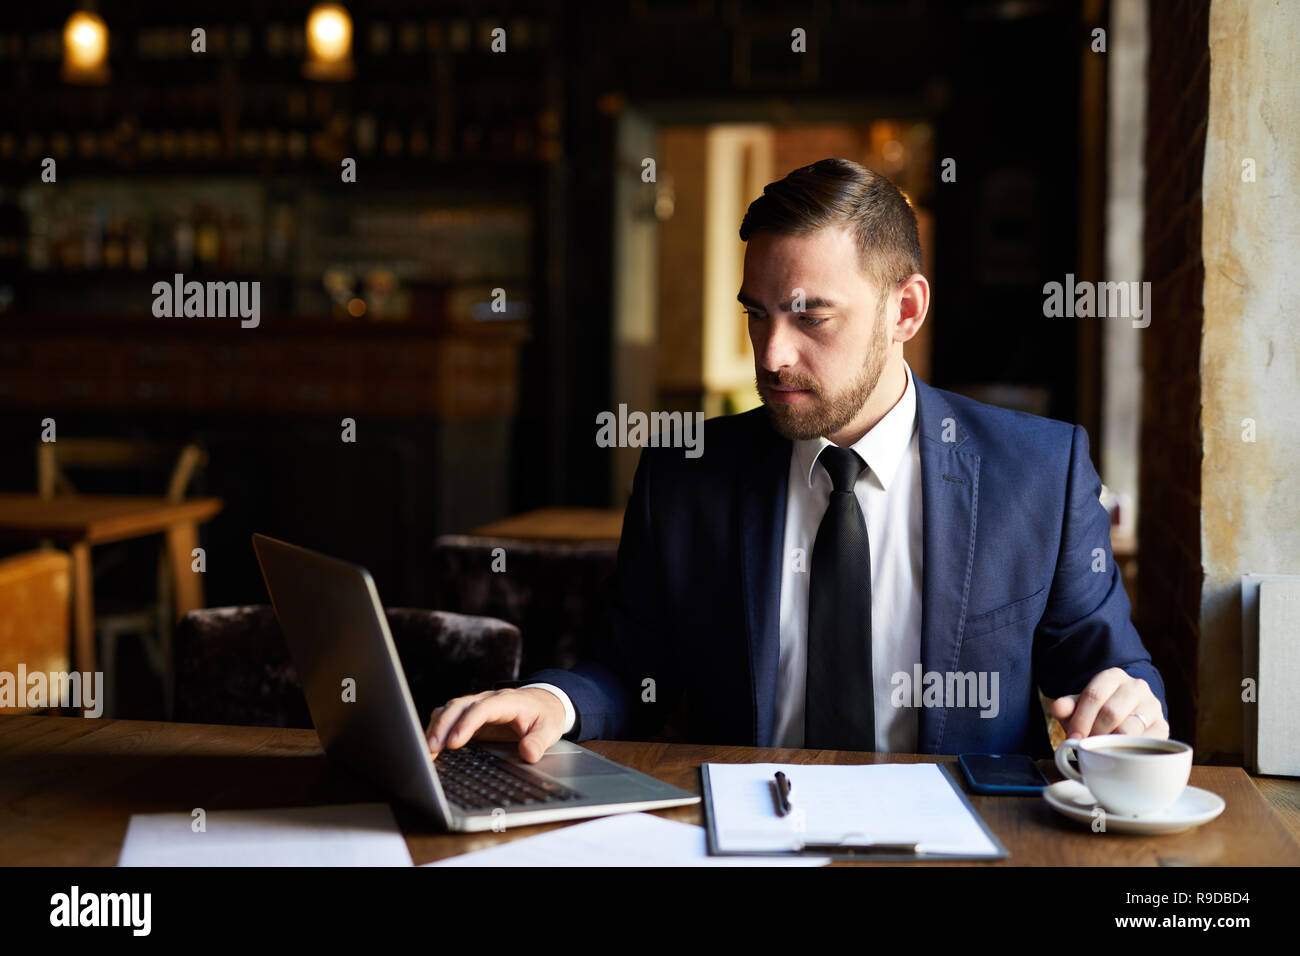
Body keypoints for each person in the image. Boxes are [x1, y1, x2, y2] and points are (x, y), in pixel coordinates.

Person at [427, 158, 1168, 764]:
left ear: (905, 311)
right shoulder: (686, 475)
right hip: (738, 836)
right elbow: (628, 669)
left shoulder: (1038, 470)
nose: (773, 354)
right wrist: (550, 701)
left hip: (965, 840)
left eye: (811, 315)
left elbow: (1111, 671)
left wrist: (1130, 704)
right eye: (758, 313)